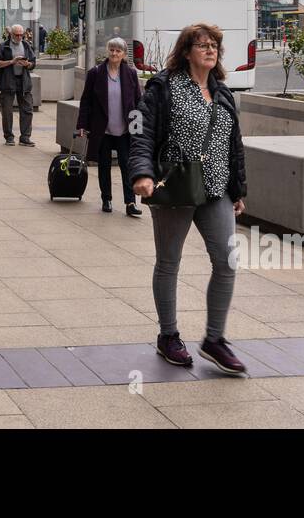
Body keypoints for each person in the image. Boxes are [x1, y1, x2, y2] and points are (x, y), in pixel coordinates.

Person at [127, 22, 248, 376]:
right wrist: (142, 174)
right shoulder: (164, 87)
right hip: (176, 186)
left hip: (216, 189)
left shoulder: (223, 92)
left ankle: (214, 339)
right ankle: (169, 336)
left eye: (214, 46)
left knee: (226, 263)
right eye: (203, 45)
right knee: (169, 262)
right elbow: (142, 131)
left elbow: (233, 147)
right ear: (186, 52)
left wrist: (238, 191)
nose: (210, 50)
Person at [77, 38, 143, 216]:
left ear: (123, 54)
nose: (114, 54)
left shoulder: (130, 74)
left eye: (118, 51)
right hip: (102, 129)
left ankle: (130, 202)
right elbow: (86, 101)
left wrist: (137, 129)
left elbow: (138, 102)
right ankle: (106, 198)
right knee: (104, 165)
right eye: (112, 50)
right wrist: (82, 125)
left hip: (124, 129)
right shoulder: (96, 73)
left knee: (126, 165)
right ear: (108, 51)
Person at [0, 23, 37, 146]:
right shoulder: (4, 46)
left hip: (24, 82)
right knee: (7, 111)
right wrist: (11, 62)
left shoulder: (26, 45)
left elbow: (33, 62)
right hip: (8, 82)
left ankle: (25, 137)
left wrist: (28, 65)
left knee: (27, 110)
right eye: (16, 35)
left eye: (21, 35)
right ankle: (9, 136)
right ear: (11, 34)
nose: (19, 37)